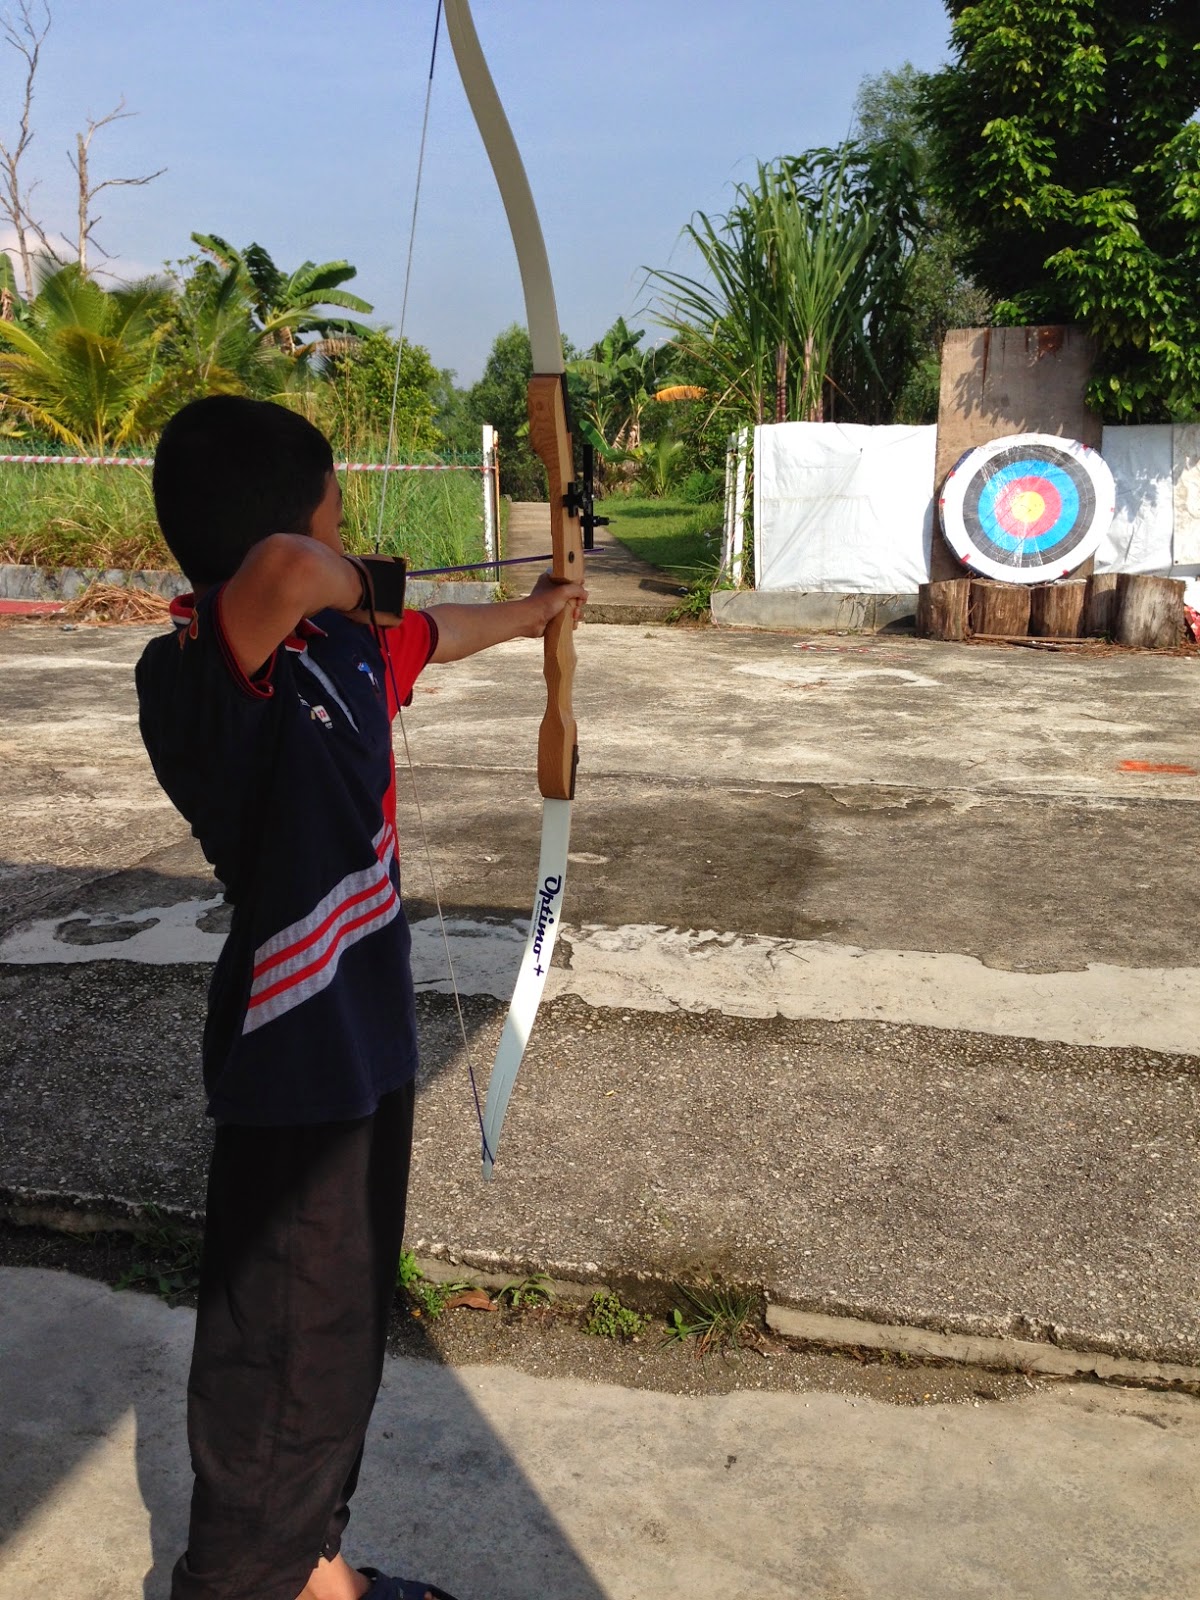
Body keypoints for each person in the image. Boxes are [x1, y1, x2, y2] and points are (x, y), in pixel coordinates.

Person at [135, 394, 585, 1600]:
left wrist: (543, 610)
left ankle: (311, 1563)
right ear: (292, 519)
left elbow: (430, 632)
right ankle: (241, 1583)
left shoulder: (342, 650)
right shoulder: (198, 672)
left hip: (367, 1046)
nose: (347, 525)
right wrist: (358, 575)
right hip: (292, 1057)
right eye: (337, 500)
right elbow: (286, 570)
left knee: (334, 1343)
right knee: (279, 1346)